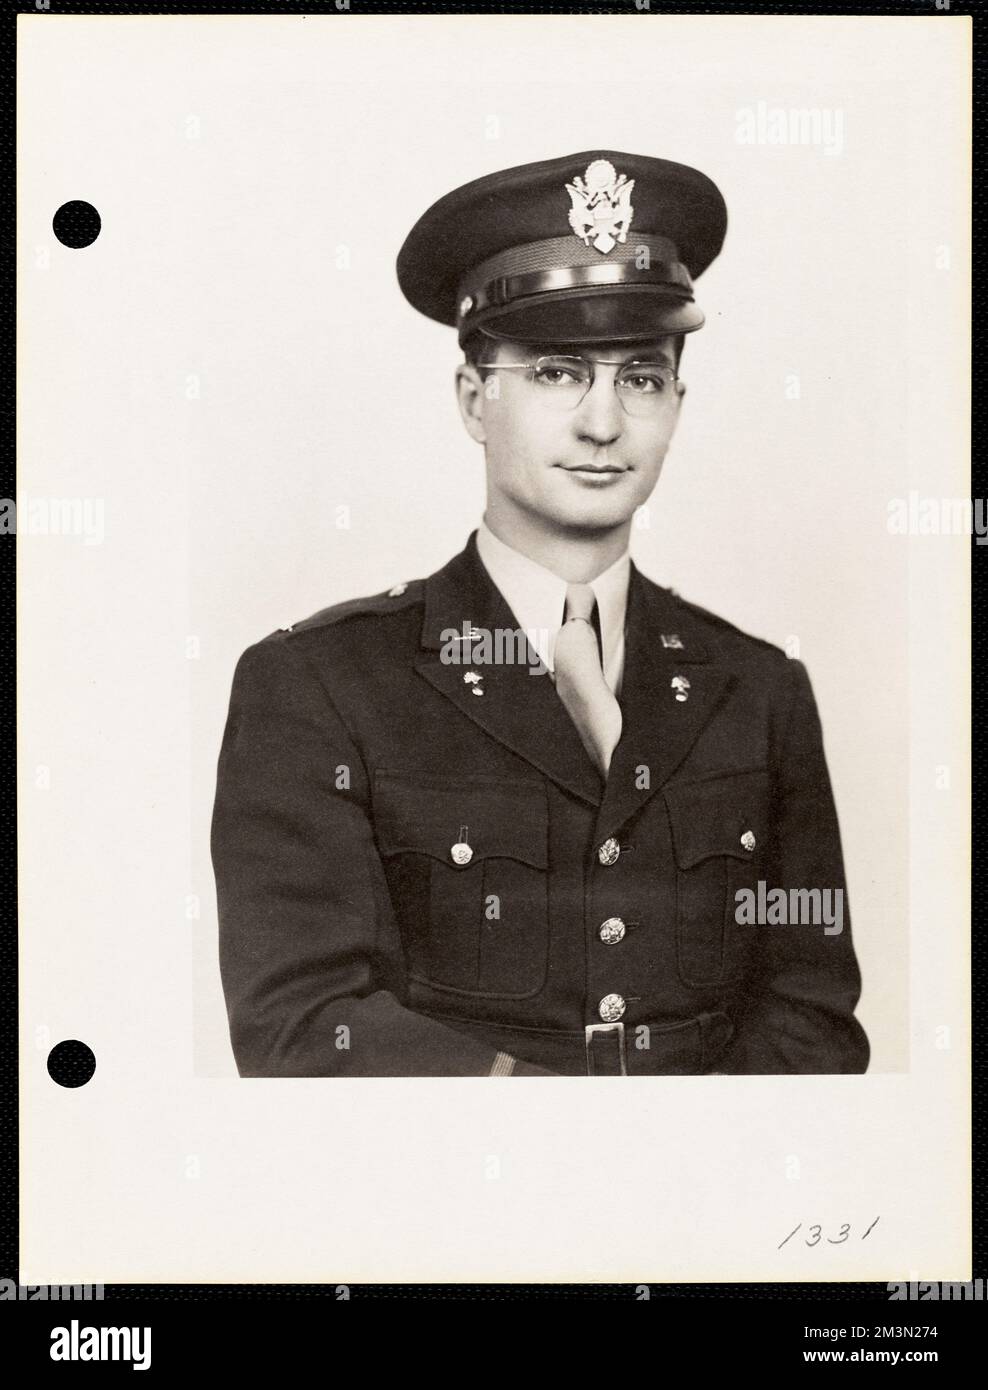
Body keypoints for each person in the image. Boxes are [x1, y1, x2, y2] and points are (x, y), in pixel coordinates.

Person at [211, 150, 869, 1077]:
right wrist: (565, 1151)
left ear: (678, 404)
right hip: (449, 1207)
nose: (604, 423)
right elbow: (303, 1025)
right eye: (559, 373)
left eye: (640, 378)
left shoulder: (760, 690)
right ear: (475, 401)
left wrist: (696, 1184)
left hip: (710, 1211)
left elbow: (811, 1018)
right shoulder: (319, 686)